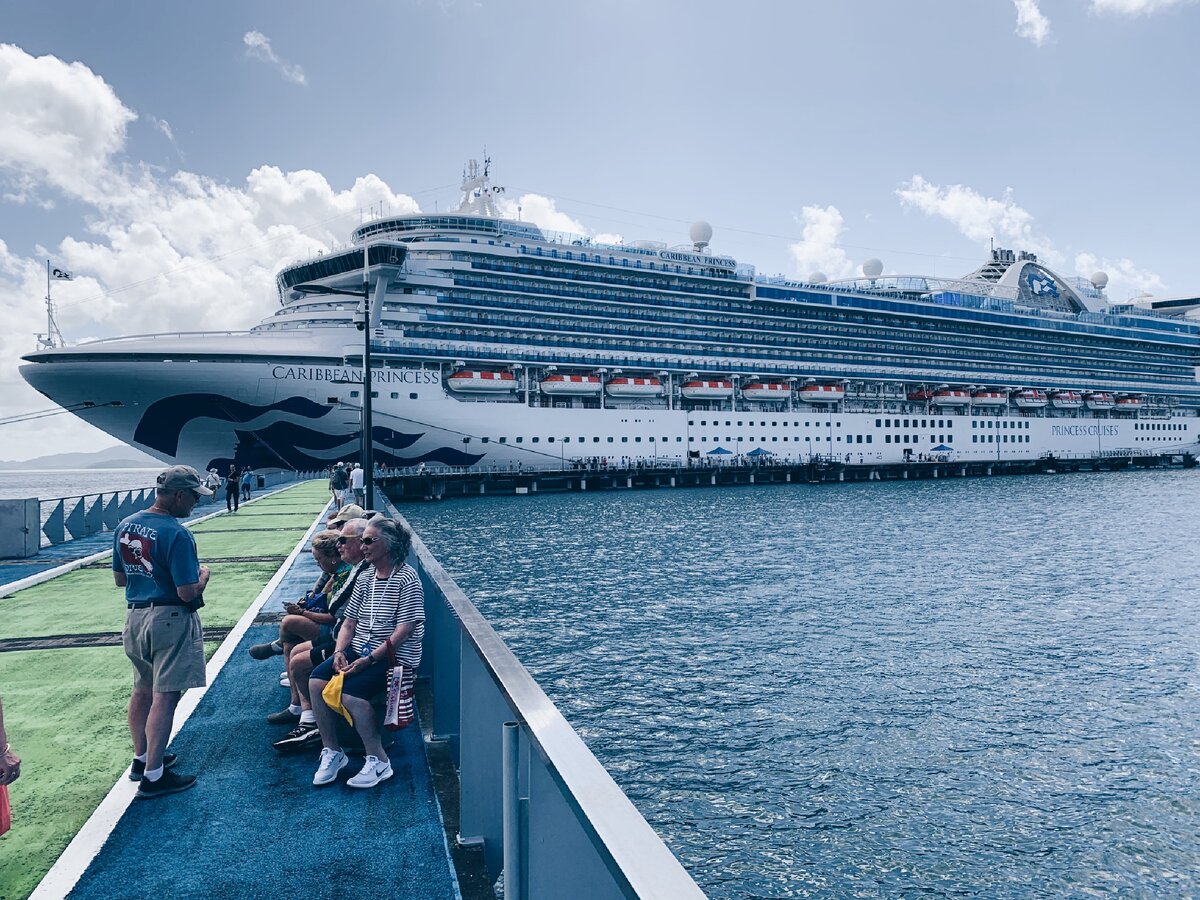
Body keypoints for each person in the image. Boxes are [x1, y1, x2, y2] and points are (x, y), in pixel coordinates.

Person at [112, 465, 212, 799]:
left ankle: (141, 758)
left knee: (141, 689)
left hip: (135, 617)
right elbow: (187, 592)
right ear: (179, 495)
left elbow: (121, 579)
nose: (196, 503)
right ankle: (155, 775)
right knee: (165, 696)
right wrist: (204, 577)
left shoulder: (127, 524)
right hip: (170, 617)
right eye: (194, 497)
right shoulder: (177, 533)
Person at [308, 519, 423, 788]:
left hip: (393, 657)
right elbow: (349, 622)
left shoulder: (407, 579)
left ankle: (379, 760)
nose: (363, 546)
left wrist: (369, 660)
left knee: (352, 693)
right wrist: (339, 651)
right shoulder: (366, 577)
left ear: (390, 545)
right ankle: (333, 752)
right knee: (316, 680)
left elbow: (403, 631)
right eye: (362, 541)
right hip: (359, 649)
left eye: (369, 541)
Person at [272, 517, 370, 751]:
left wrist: (306, 611)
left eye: (344, 540)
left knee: (301, 661)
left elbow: (338, 615)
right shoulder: (356, 571)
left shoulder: (357, 573)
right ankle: (306, 715)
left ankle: (313, 724)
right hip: (345, 636)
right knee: (294, 649)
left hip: (357, 643)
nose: (340, 544)